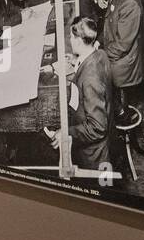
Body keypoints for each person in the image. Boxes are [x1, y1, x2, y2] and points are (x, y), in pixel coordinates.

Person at [47, 16, 112, 171]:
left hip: (93, 157)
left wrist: (66, 132)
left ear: (77, 40)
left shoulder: (90, 79)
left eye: (71, 36)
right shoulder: (100, 54)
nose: (70, 39)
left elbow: (97, 127)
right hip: (95, 139)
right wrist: (76, 59)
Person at [99, 0, 144, 127]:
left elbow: (123, 45)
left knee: (93, 78)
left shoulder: (128, 1)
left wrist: (97, 54)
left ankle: (117, 120)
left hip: (125, 62)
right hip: (119, 53)